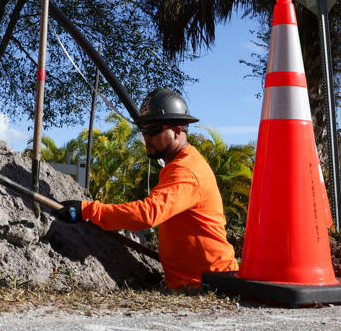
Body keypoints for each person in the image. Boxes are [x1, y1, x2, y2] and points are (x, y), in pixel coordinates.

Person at [54, 88, 238, 289]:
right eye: (144, 131)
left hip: (212, 283)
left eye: (153, 130)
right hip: (194, 282)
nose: (146, 138)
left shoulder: (186, 170)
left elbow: (147, 214)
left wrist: (88, 210)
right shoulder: (179, 165)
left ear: (177, 131)